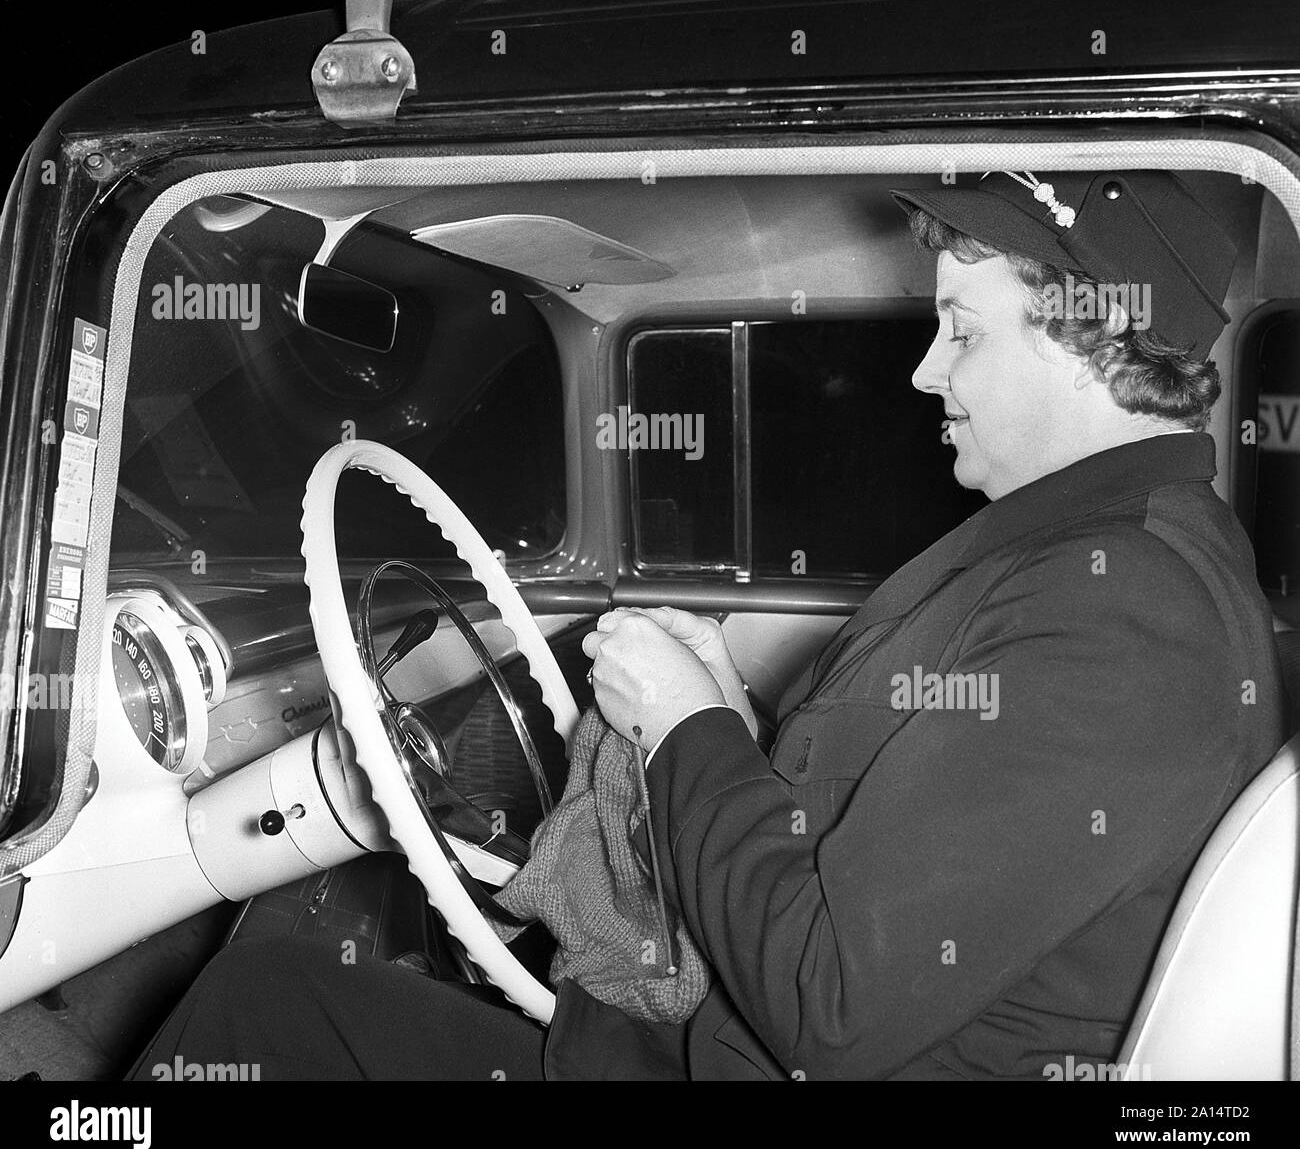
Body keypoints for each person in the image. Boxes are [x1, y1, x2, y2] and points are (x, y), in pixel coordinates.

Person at [130, 169, 1287, 1081]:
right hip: (711, 1050)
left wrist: (688, 730)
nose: (927, 373)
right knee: (288, 994)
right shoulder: (1105, 552)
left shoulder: (1125, 611)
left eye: (964, 332)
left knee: (265, 1003)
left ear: (1089, 340)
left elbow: (827, 1005)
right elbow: (890, 819)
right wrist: (729, 715)